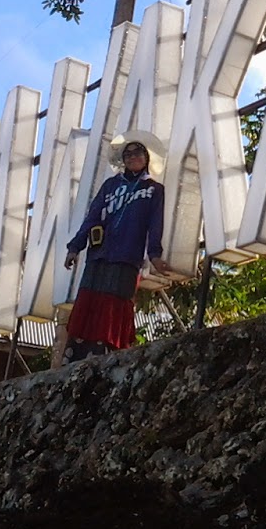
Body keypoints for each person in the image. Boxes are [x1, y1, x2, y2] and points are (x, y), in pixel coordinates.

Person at [62, 132, 174, 362]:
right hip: (99, 255)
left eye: (138, 153)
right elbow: (92, 218)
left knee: (116, 304)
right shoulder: (110, 185)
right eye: (128, 154)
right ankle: (76, 356)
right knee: (89, 302)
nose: (133, 157)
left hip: (127, 257)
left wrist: (155, 255)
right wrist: (75, 247)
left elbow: (155, 224)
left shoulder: (154, 189)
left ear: (147, 157)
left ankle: (110, 353)